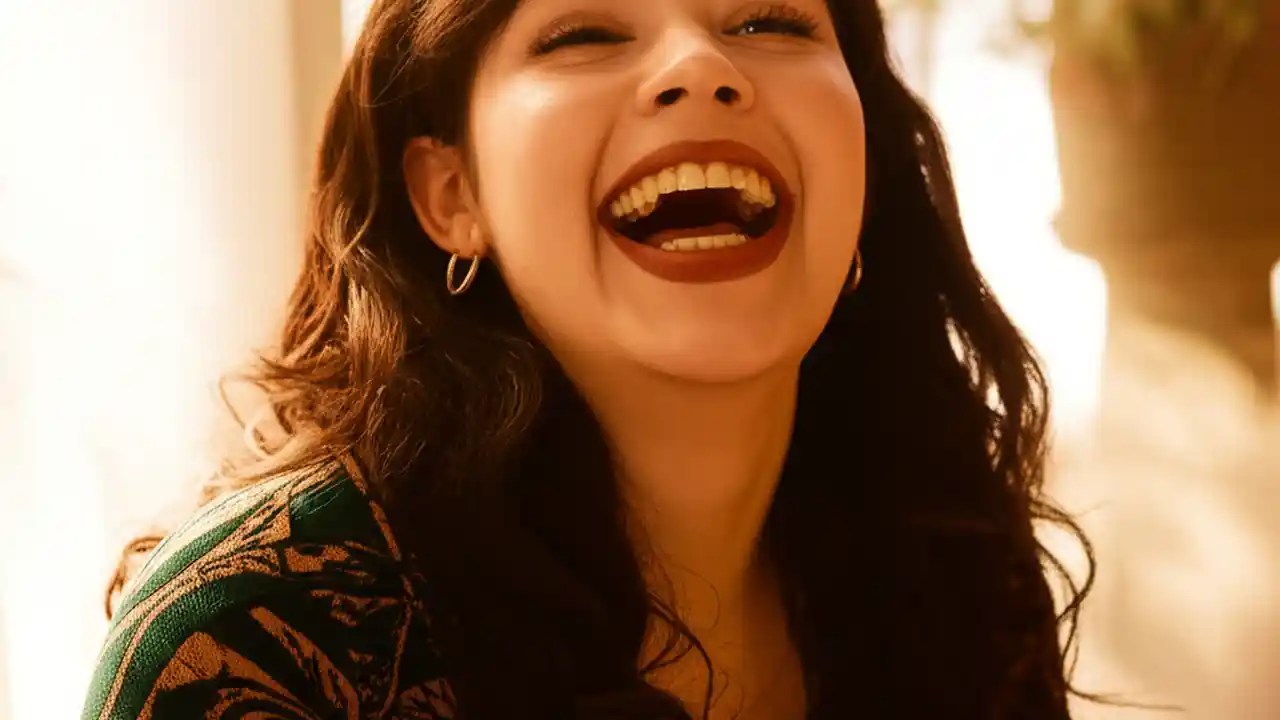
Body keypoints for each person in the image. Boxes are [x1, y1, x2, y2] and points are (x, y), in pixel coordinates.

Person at [82, 0, 1094, 718]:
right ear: (450, 198)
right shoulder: (258, 640)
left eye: (770, 24)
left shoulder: (952, 563)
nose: (701, 67)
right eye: (584, 33)